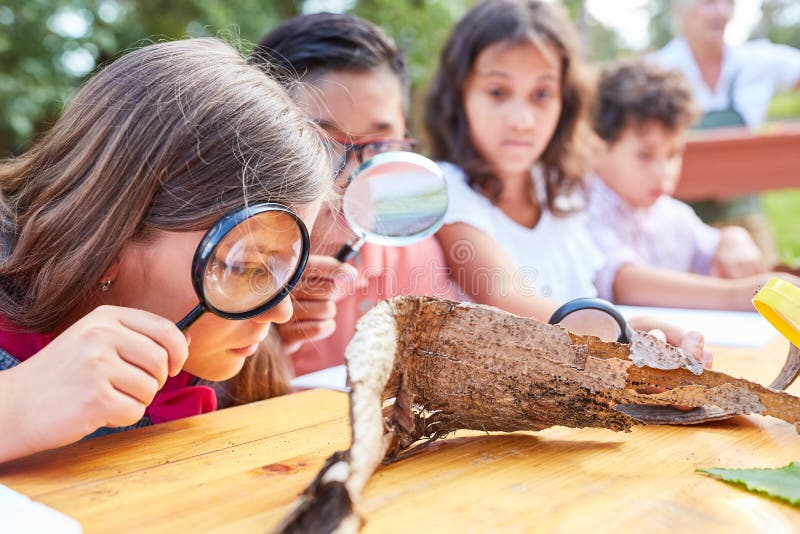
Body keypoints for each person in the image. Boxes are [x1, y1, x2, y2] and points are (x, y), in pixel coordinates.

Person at [0, 38, 331, 464]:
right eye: (241, 265)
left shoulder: (214, 364)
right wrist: (18, 406)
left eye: (285, 267)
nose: (281, 312)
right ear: (107, 237)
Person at [424, 0, 788, 354]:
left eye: (541, 94)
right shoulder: (450, 192)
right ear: (460, 94)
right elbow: (509, 299)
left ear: (565, 101)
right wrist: (625, 333)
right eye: (498, 92)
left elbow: (592, 287)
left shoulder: (559, 188)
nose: (522, 119)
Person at [251, 13, 456, 377]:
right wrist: (258, 338)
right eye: (320, 142)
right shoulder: (217, 260)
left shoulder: (413, 255)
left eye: (379, 145)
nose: (353, 176)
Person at [588, 60, 769, 280]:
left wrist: (733, 237)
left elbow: (712, 246)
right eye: (645, 155)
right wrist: (733, 295)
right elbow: (624, 282)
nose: (663, 171)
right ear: (596, 151)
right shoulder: (582, 210)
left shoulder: (670, 214)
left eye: (673, 154)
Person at [652, 0, 800, 265]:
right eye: (708, 3)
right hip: (682, 220)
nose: (721, 12)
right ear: (681, 12)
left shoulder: (757, 61)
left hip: (745, 215)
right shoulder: (657, 71)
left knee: (763, 287)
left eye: (727, 2)